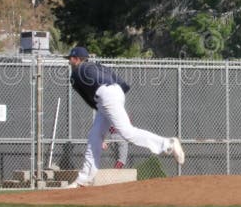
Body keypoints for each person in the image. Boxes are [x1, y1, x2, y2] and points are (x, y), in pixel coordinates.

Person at [66, 46, 184, 188]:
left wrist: (107, 106)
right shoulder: (98, 66)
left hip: (105, 97)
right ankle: (84, 179)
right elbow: (121, 84)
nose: (69, 62)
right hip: (115, 91)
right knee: (95, 136)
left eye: (70, 59)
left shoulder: (75, 74)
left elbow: (88, 99)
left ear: (76, 59)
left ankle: (168, 144)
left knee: (128, 133)